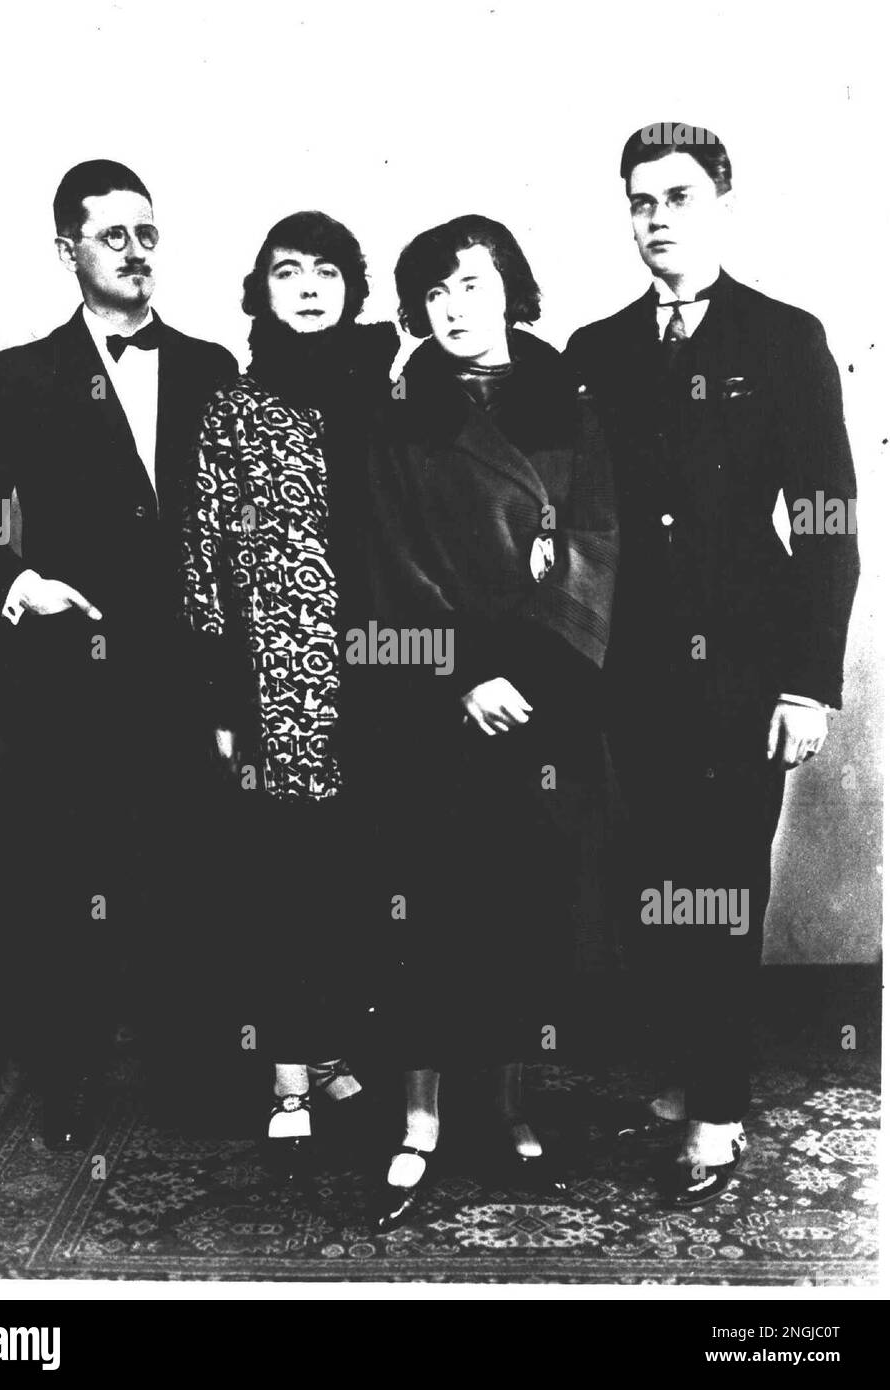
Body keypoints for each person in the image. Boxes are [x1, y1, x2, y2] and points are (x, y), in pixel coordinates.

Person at [565, 125, 860, 1206]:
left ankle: (720, 1112)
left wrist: (809, 681)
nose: (657, 219)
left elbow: (827, 515)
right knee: (652, 883)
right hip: (628, 668)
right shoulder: (595, 350)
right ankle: (687, 1072)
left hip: (748, 668)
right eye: (640, 200)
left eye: (678, 197)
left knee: (724, 885)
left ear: (722, 202)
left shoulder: (784, 337)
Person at [0, 160, 238, 1149]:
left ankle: (194, 1081)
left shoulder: (212, 366)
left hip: (183, 677)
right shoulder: (19, 376)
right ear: (66, 252)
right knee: (68, 882)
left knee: (187, 878)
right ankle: (68, 1084)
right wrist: (19, 585)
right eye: (113, 235)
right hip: (69, 682)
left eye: (148, 233)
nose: (136, 253)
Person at [365, 215, 618, 1230]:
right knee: (431, 905)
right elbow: (388, 563)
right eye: (434, 294)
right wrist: (465, 674)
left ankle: (510, 1106)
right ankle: (418, 1122)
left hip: (544, 700)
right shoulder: (401, 416)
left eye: (470, 285)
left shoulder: (571, 400)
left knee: (529, 902)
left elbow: (600, 541)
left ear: (510, 287)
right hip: (441, 701)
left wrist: (532, 672)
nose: (454, 309)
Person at [181, 211, 398, 1164]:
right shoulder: (234, 407)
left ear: (353, 288)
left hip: (386, 677)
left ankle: (335, 1047)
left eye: (327, 273)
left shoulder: (389, 394)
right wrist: (231, 703)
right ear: (260, 293)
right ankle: (286, 1076)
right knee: (282, 881)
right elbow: (204, 564)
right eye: (286, 273)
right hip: (279, 684)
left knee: (361, 877)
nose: (308, 288)